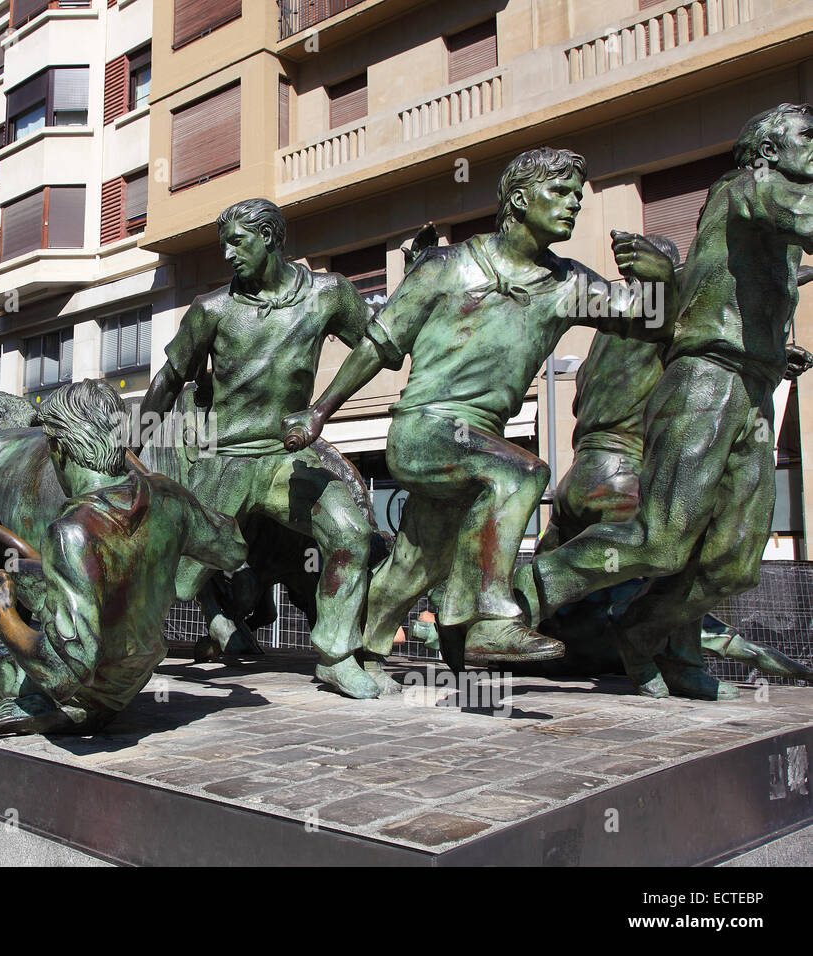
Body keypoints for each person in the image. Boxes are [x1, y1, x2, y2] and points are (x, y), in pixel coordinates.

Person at [284, 147, 678, 668]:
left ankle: (353, 648)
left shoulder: (569, 286)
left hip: (477, 444)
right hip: (424, 428)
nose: (574, 205)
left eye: (578, 196)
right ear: (519, 198)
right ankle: (491, 618)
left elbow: (646, 322)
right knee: (522, 474)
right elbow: (379, 345)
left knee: (413, 567)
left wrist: (661, 282)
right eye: (559, 192)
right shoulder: (446, 268)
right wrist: (319, 412)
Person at [518, 104, 813, 699]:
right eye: (807, 136)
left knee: (734, 560)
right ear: (766, 151)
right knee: (662, 538)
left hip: (755, 386)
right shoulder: (748, 188)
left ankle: (649, 633)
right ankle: (519, 596)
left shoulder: (778, 244)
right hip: (708, 380)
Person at [139, 198, 384, 698]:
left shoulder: (327, 295)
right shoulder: (210, 310)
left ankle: (336, 653)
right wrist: (130, 453)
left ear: (270, 237)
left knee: (351, 532)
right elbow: (168, 381)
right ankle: (120, 648)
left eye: (237, 242)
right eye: (223, 244)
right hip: (222, 463)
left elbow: (377, 344)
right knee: (177, 581)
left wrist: (322, 411)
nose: (228, 254)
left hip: (287, 458)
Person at [0, 379, 248, 743]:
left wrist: (5, 619)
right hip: (138, 672)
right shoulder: (167, 496)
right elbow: (233, 548)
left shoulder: (71, 532)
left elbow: (68, 673)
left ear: (59, 449)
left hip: (89, 693)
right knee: (32, 582)